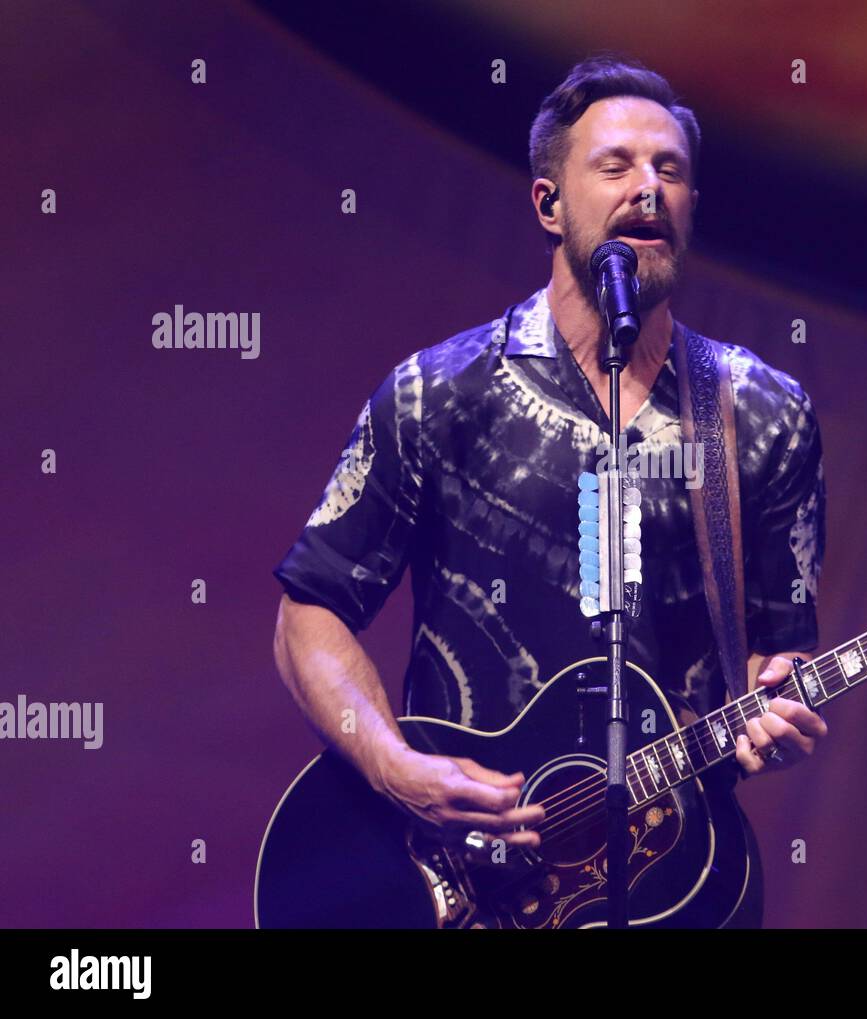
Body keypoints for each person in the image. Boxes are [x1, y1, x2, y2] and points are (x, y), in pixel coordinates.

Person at [271, 54, 828, 928]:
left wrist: (777, 706)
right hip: (458, 888)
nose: (648, 188)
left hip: (681, 885)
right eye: (616, 166)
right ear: (548, 203)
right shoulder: (440, 393)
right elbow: (311, 610)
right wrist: (393, 765)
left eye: (669, 170)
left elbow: (778, 657)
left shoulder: (762, 414)